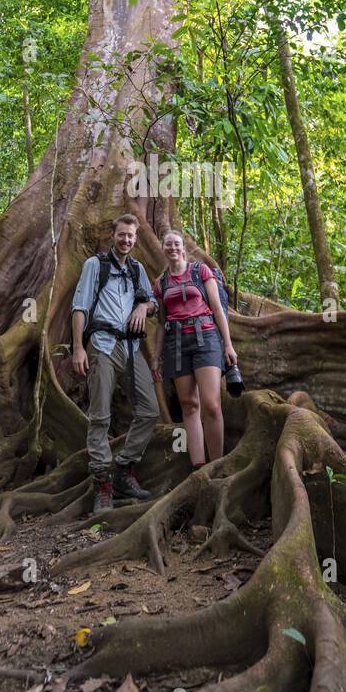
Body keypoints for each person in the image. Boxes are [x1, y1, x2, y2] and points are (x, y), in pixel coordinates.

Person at [71, 214, 159, 513]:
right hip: (102, 345)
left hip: (132, 347)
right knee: (100, 416)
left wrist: (143, 307)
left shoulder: (137, 268)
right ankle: (103, 485)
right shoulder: (95, 265)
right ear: (113, 235)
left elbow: (153, 302)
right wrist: (78, 349)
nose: (127, 240)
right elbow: (80, 307)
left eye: (131, 236)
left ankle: (123, 469)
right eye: (122, 235)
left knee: (149, 411)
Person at [151, 229, 238, 469]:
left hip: (206, 338)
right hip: (176, 343)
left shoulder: (200, 271)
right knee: (189, 404)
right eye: (168, 244)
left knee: (211, 405)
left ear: (183, 247)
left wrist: (228, 344)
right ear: (163, 249)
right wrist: (156, 358)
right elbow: (160, 323)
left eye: (176, 244)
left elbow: (218, 309)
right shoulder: (161, 283)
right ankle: (198, 466)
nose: (172, 248)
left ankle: (217, 464)